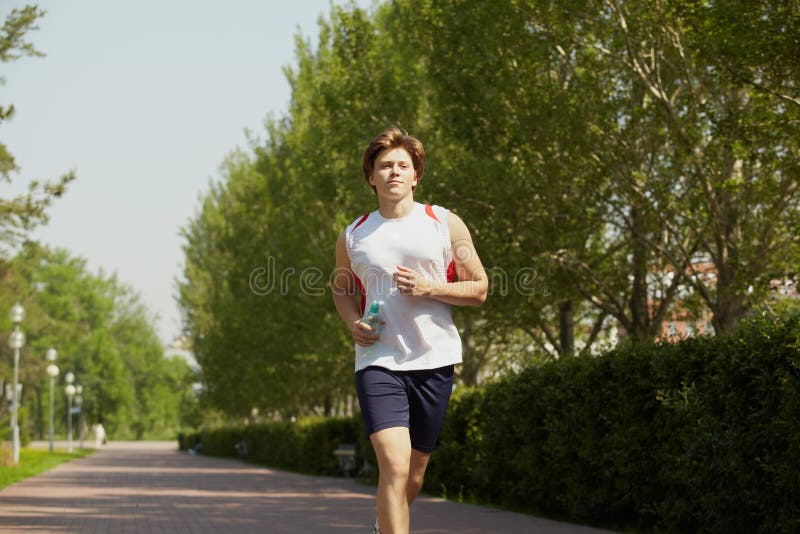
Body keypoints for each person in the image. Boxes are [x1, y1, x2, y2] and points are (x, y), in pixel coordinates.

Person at [332, 127, 487, 534]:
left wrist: (430, 287)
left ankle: (385, 524)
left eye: (403, 165)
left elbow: (480, 287)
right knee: (394, 465)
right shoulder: (354, 235)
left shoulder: (445, 223)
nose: (394, 172)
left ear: (416, 175)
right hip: (378, 359)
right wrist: (353, 323)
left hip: (434, 359)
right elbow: (342, 290)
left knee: (414, 476)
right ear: (371, 177)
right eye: (385, 166)